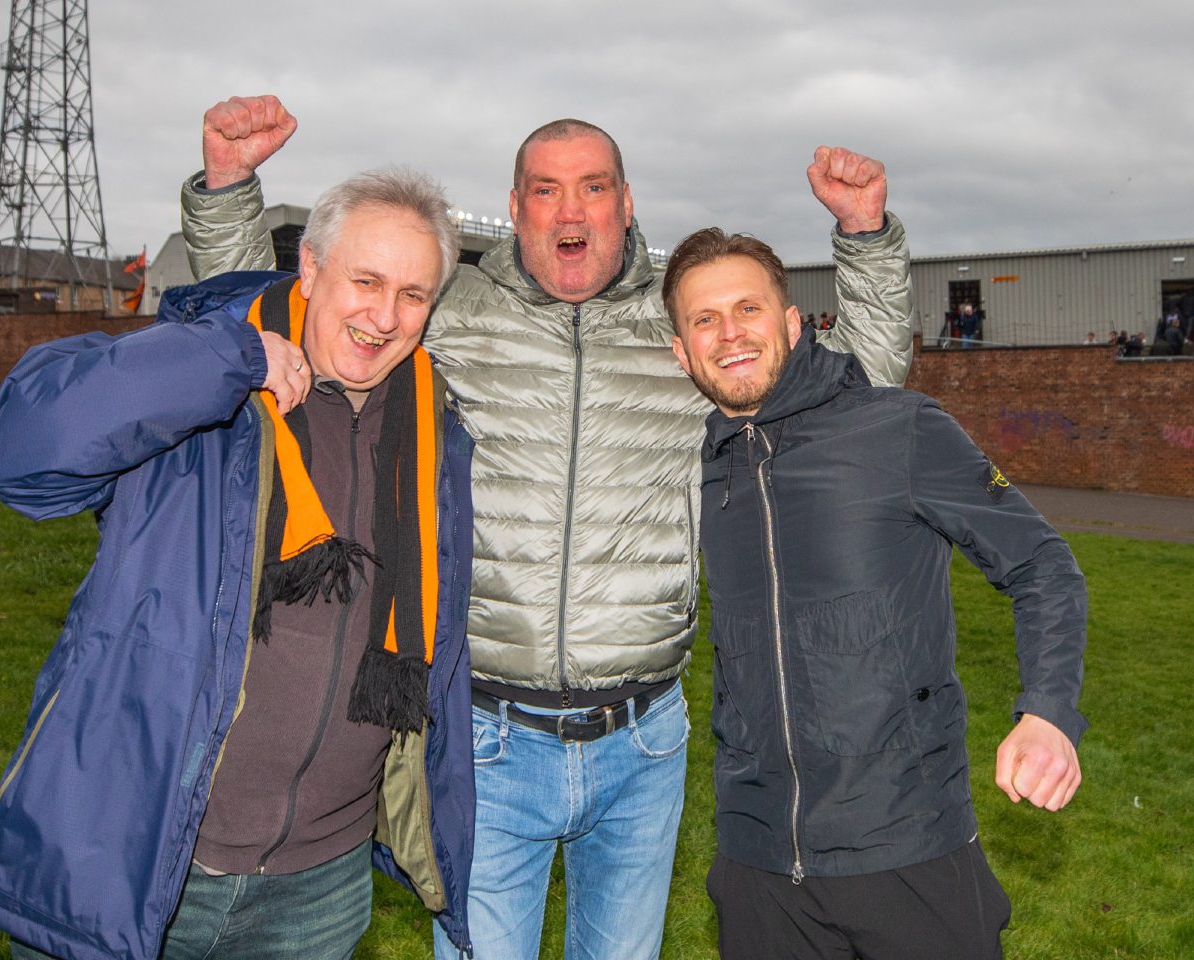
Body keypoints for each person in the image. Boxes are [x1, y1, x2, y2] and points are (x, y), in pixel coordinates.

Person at [181, 94, 914, 960]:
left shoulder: (685, 326)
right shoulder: (452, 313)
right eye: (544, 190)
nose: (570, 210)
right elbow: (285, 323)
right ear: (518, 206)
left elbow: (856, 384)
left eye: (594, 188)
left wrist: (865, 236)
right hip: (487, 736)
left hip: (643, 743)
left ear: (626, 204)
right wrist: (229, 190)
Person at [0, 168, 478, 959]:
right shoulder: (212, 384)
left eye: (412, 294)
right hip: (139, 854)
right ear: (310, 269)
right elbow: (21, 454)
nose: (384, 315)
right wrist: (224, 359)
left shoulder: (435, 432)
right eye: (365, 280)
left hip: (318, 889)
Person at [662, 227, 1087, 960]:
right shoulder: (700, 464)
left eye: (748, 309)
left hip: (908, 846)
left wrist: (1048, 711)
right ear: (681, 351)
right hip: (758, 860)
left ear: (793, 324)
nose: (730, 334)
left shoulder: (900, 428)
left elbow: (1041, 564)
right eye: (705, 319)